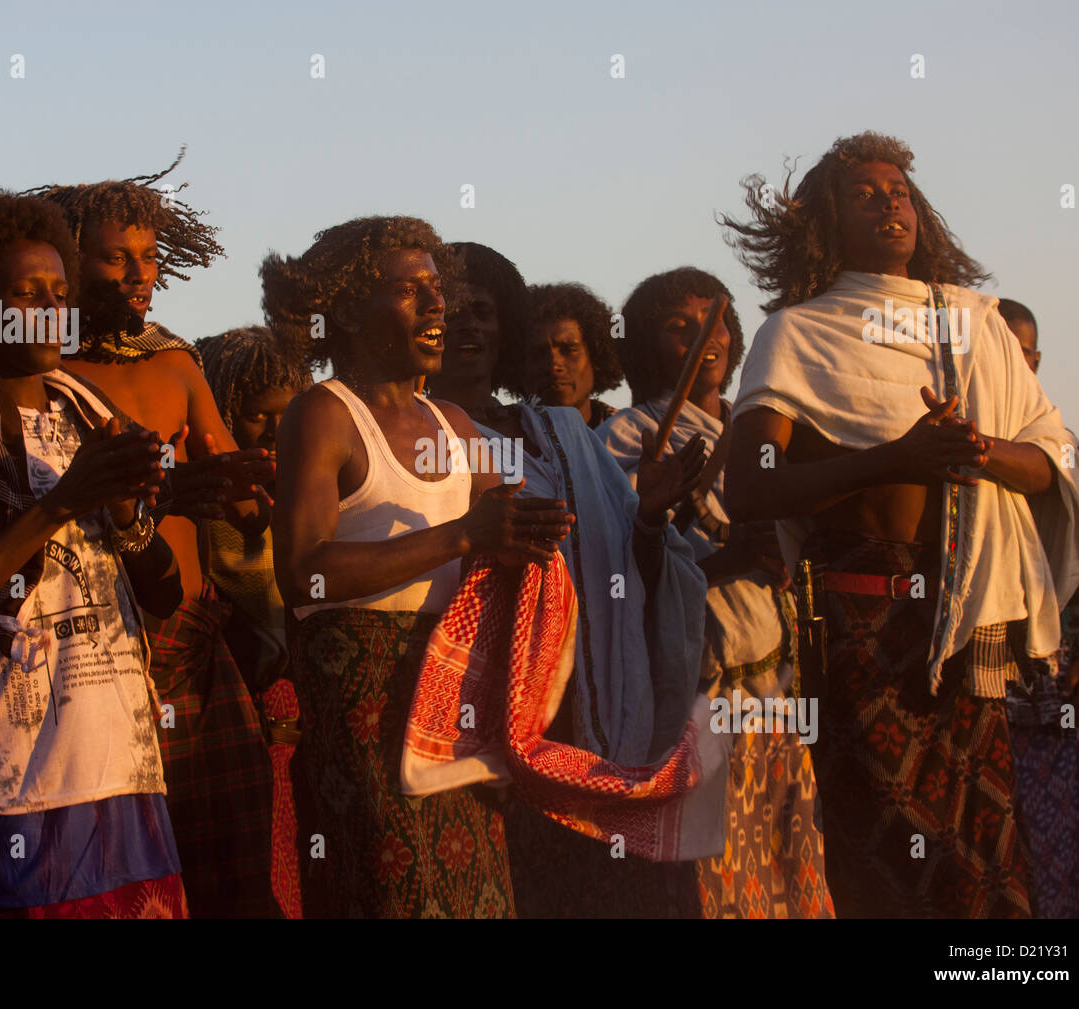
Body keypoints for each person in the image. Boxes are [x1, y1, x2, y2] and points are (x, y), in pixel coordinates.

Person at [719, 131, 1079, 917]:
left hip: (969, 634)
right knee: (886, 851)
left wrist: (977, 450)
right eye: (866, 194)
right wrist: (897, 457)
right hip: (859, 629)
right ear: (826, 221)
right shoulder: (796, 334)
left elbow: (1051, 463)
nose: (891, 204)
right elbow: (749, 488)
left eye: (900, 192)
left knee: (985, 866)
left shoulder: (978, 326)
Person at [262, 215, 574, 917]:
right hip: (365, 721)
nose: (438, 307)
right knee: (392, 894)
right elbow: (303, 572)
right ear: (346, 309)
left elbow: (507, 550)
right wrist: (463, 535)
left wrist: (534, 538)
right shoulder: (323, 414)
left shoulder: (457, 428)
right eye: (411, 292)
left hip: (453, 715)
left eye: (439, 290)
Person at [0, 190, 187, 917]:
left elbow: (163, 595)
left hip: (120, 762)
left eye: (61, 292)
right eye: (27, 293)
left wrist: (126, 510)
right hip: (18, 781)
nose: (52, 308)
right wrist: (59, 503)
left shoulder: (88, 410)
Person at [28, 155, 279, 916]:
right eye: (115, 257)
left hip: (193, 648)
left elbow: (239, 498)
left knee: (234, 869)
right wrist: (169, 490)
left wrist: (249, 492)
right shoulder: (39, 371)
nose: (140, 274)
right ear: (72, 260)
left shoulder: (176, 364)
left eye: (149, 257)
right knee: (122, 868)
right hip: (95, 645)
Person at [452, 290, 714, 917]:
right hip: (496, 702)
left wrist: (648, 518)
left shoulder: (574, 442)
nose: (553, 365)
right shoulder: (436, 435)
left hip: (591, 706)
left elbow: (633, 569)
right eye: (538, 351)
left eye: (568, 349)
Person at [599, 266, 834, 918]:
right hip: (698, 695)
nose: (709, 337)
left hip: (776, 688)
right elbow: (623, 575)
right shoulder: (624, 438)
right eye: (681, 326)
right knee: (719, 884)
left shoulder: (758, 431)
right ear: (646, 347)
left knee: (795, 869)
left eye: (717, 322)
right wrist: (727, 558)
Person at [998, 297, 1079, 916]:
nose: (1014, 366)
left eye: (1023, 355)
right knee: (1013, 858)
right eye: (1001, 353)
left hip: (1070, 690)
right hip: (1001, 697)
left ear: (1036, 361)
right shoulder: (966, 447)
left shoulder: (1061, 449)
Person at [195, 325, 313, 917]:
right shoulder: (203, 511)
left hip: (305, 737)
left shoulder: (322, 499)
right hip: (229, 730)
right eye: (253, 416)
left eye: (288, 415)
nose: (273, 432)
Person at [425, 241, 527, 415]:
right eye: (452, 312)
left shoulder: (552, 428)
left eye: (482, 312)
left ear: (506, 330)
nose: (469, 325)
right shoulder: (393, 434)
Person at [522, 282, 623, 427]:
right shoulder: (503, 443)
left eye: (569, 350)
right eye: (538, 354)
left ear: (596, 358)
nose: (554, 364)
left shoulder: (633, 438)